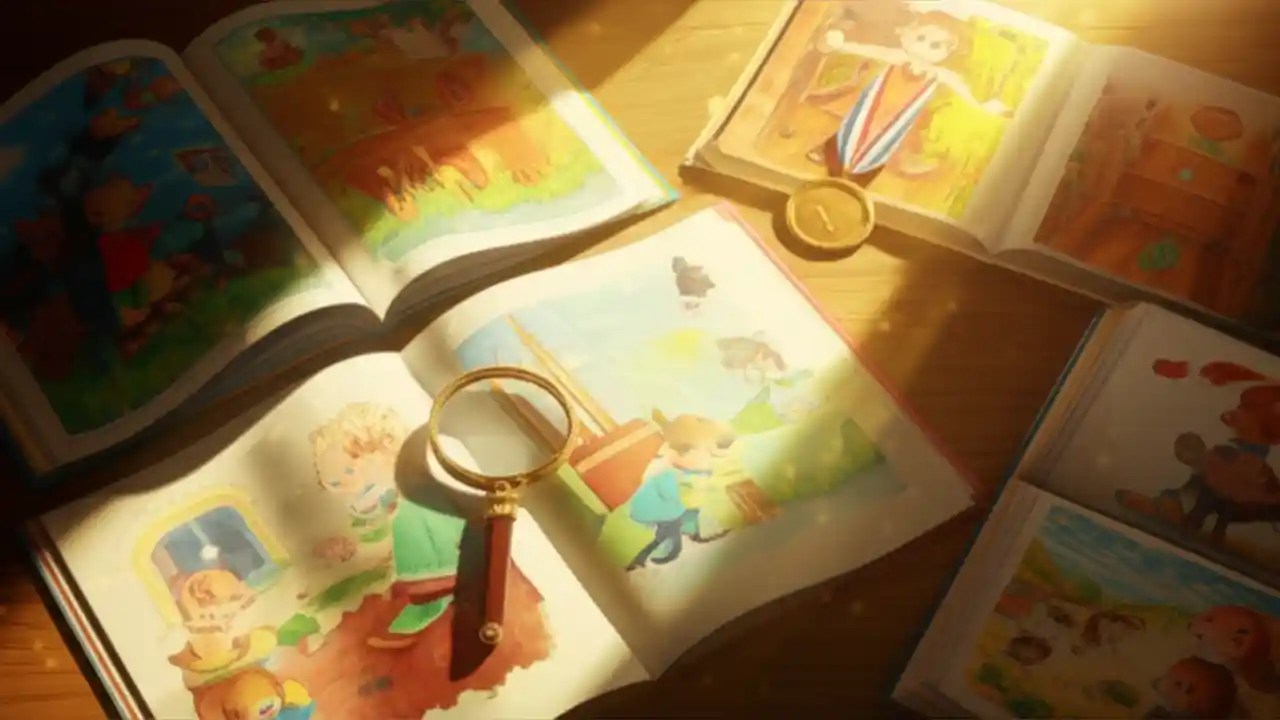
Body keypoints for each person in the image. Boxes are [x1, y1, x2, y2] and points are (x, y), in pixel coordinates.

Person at [807, 10, 1009, 180]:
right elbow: (871, 51)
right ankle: (828, 152)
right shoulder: (898, 56)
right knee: (855, 127)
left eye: (936, 46)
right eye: (920, 38)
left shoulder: (940, 73)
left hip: (902, 114)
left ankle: (868, 168)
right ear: (907, 35)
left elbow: (962, 89)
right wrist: (842, 45)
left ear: (948, 51)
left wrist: (983, 106)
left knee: (890, 140)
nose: (924, 47)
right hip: (875, 103)